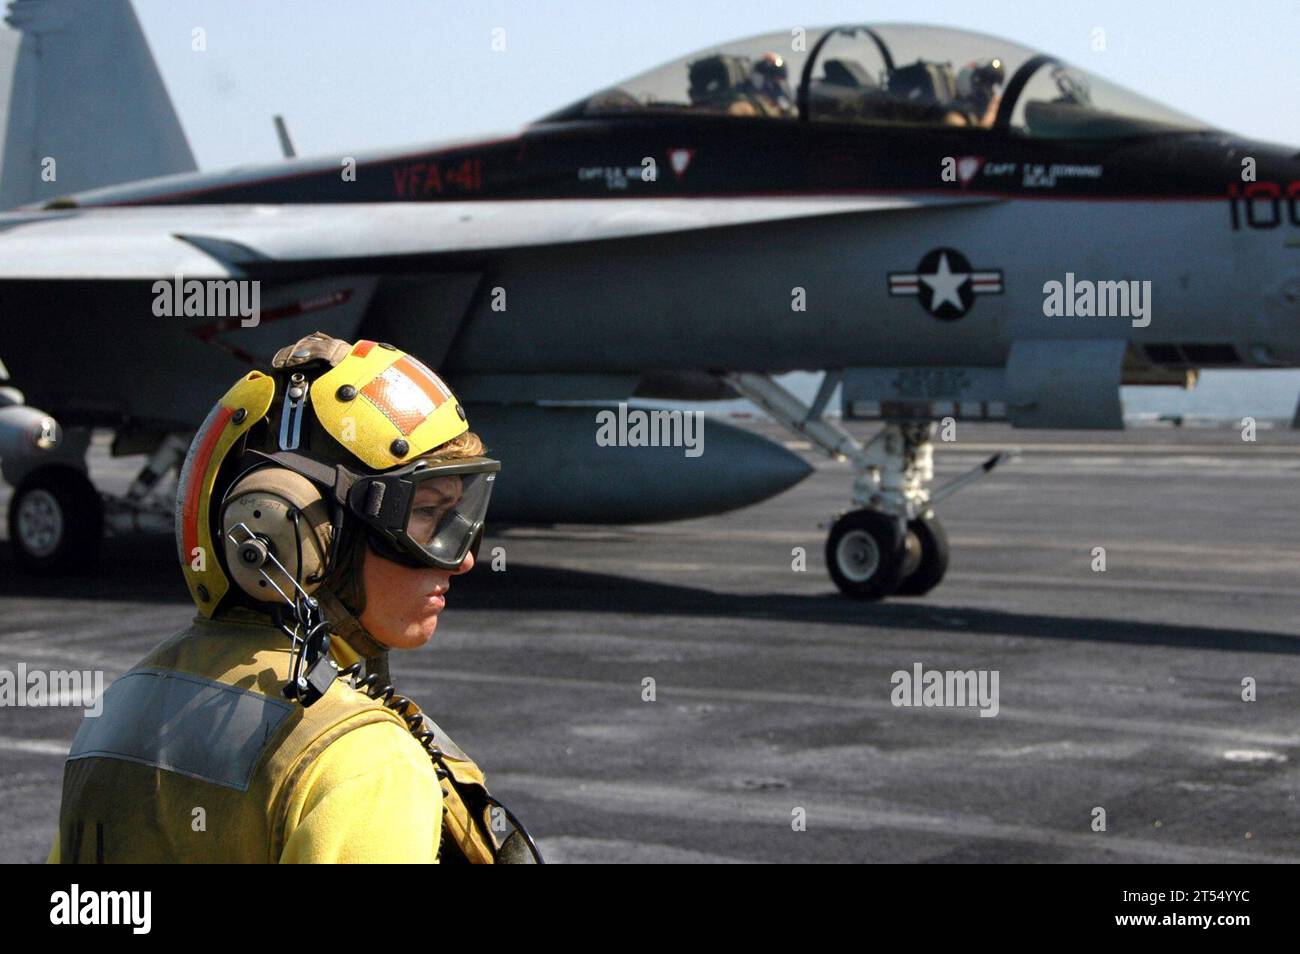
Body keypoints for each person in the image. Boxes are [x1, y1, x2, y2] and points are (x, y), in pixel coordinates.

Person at [45, 331, 540, 863]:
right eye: (425, 515)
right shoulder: (366, 764)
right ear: (294, 532)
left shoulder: (118, 709)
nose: (462, 558)